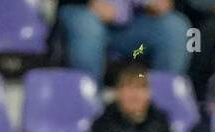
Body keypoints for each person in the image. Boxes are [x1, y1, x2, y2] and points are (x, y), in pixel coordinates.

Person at [56, 0, 192, 82]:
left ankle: (162, 104)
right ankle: (88, 101)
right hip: (83, 12)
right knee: (88, 26)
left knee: (175, 26)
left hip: (134, 22)